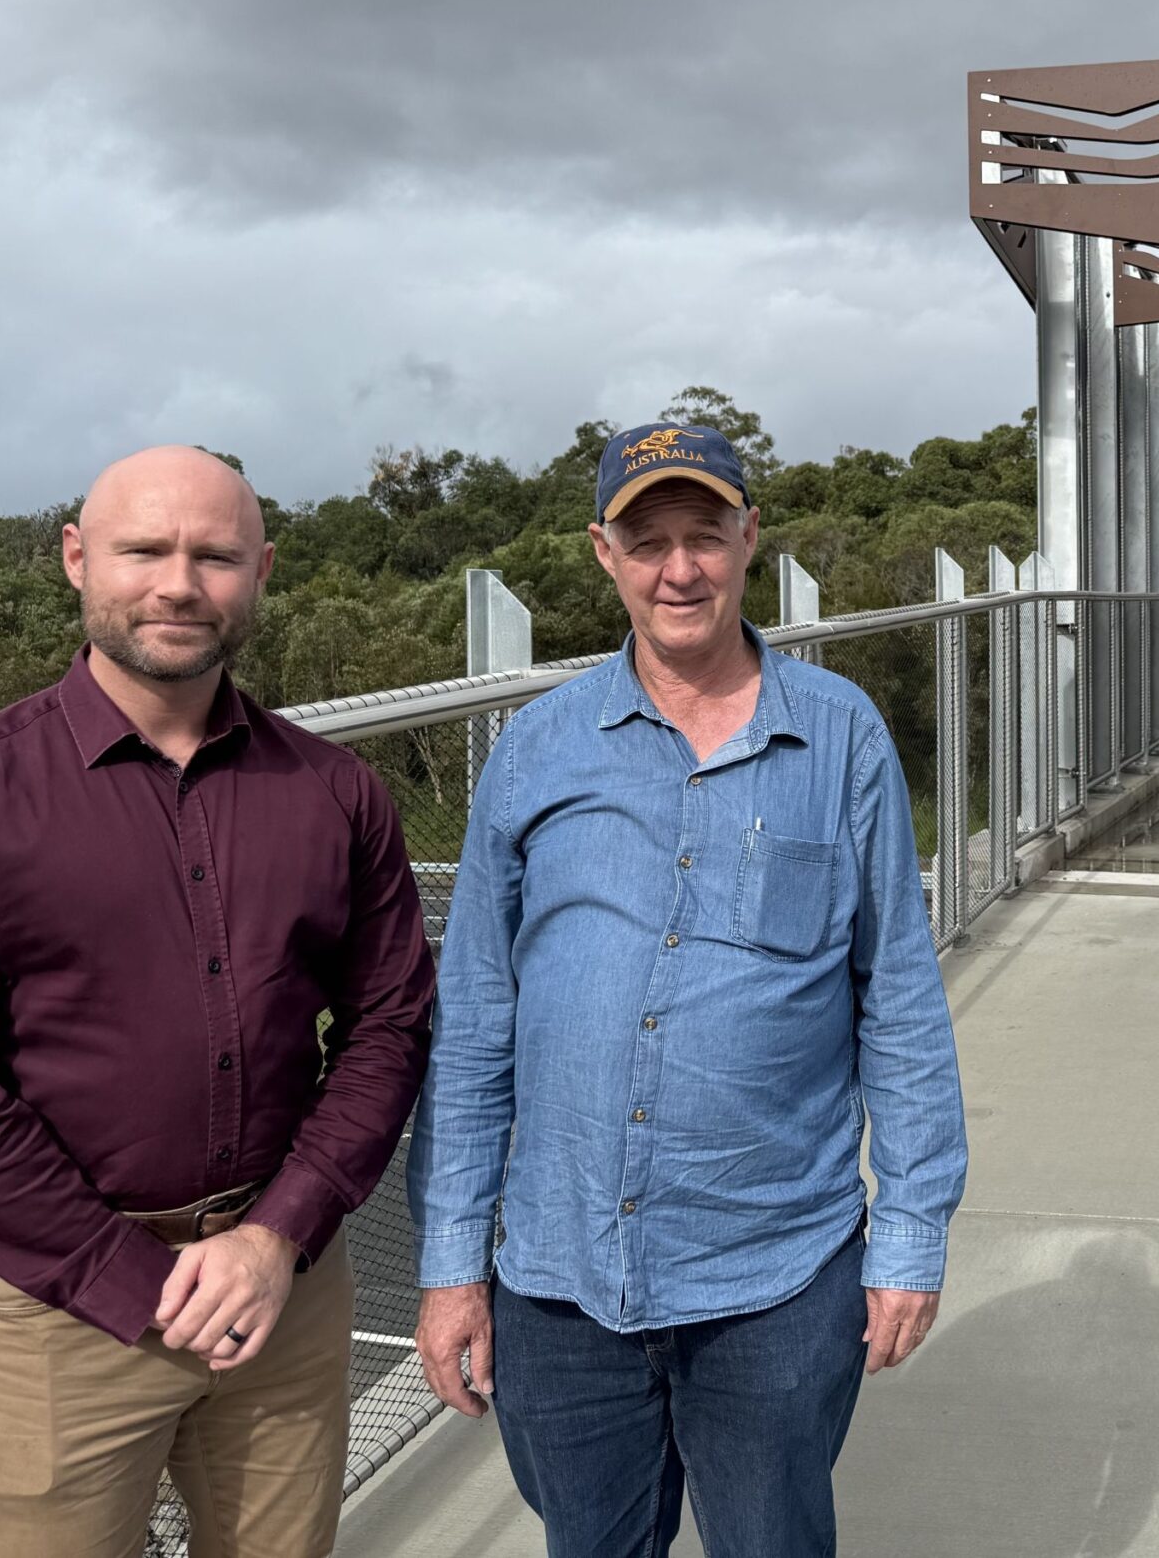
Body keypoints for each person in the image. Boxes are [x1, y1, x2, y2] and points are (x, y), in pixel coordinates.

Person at [0, 446, 437, 1558]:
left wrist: (276, 1236)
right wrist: (128, 1279)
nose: (177, 583)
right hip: (57, 1315)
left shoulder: (336, 794)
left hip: (281, 1300)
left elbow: (389, 1024)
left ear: (261, 570)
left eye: (213, 555)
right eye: (143, 550)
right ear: (75, 559)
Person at [408, 421, 967, 1558]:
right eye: (646, 539)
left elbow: (897, 1001)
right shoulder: (536, 748)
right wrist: (452, 1265)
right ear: (602, 553)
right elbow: (473, 1022)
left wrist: (909, 1234)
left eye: (705, 535)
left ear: (748, 539)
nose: (680, 569)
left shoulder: (841, 737)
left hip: (774, 1277)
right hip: (561, 1284)